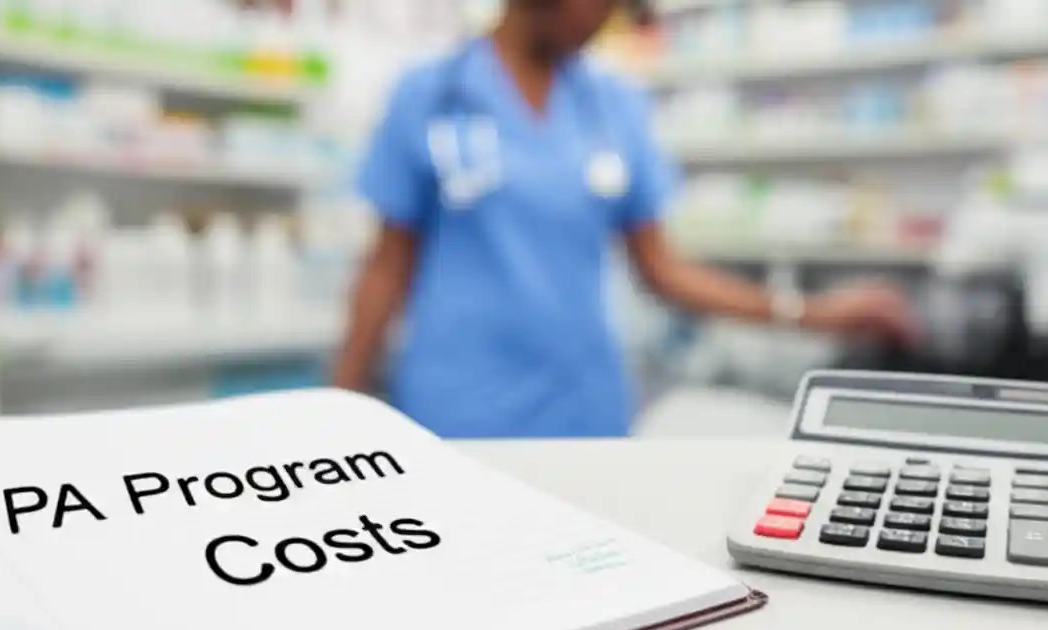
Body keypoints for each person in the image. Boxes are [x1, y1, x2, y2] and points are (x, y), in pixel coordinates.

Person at [333, 0, 918, 438]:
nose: (607, 15)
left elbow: (664, 270)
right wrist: (336, 414)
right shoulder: (430, 96)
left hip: (584, 407)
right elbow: (386, 267)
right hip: (459, 407)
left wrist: (815, 314)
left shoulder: (613, 106)